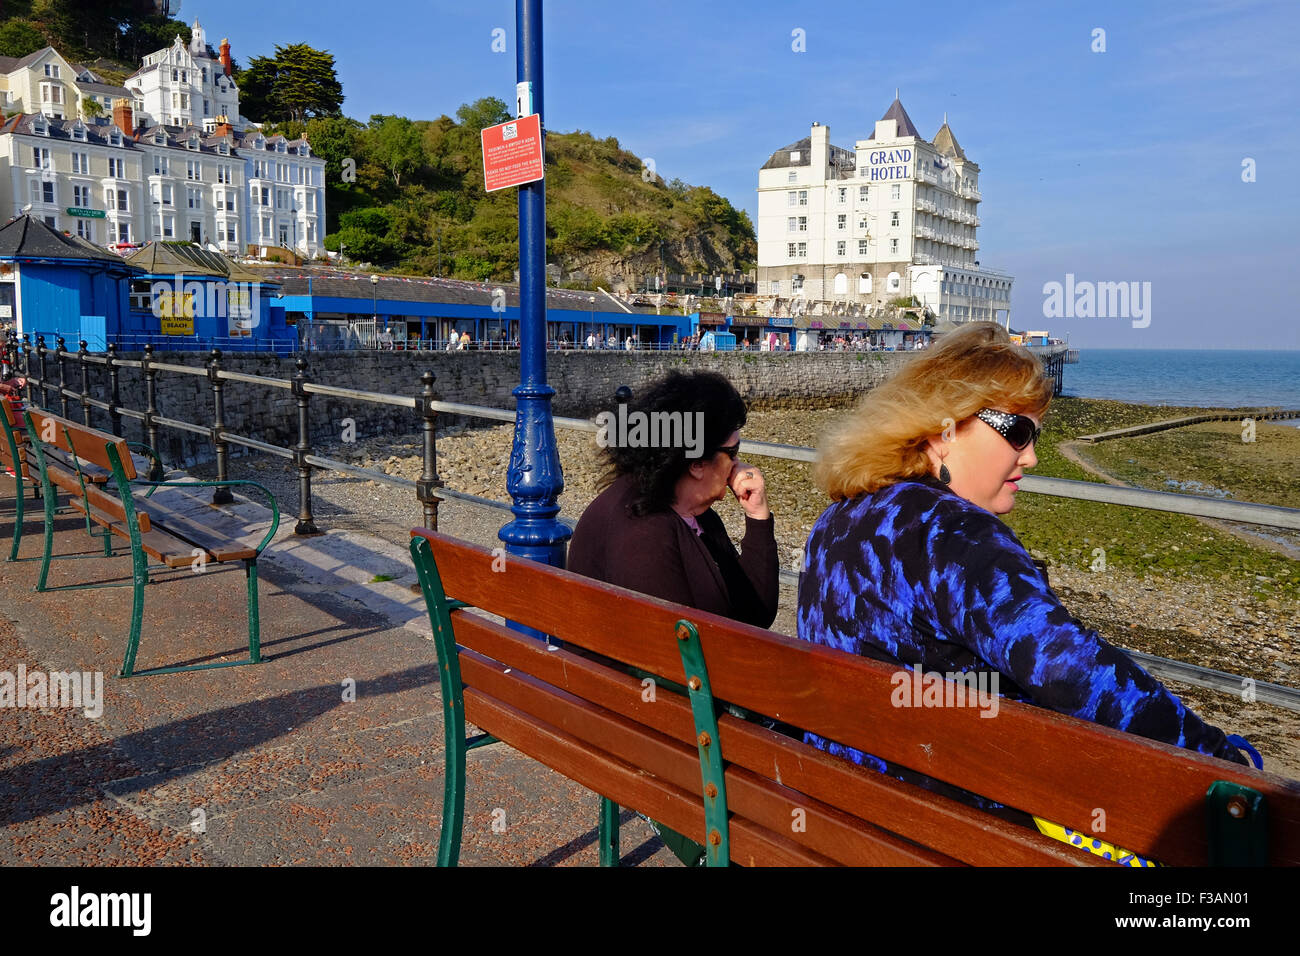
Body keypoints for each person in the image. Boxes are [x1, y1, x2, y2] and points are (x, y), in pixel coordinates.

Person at [798, 322, 1253, 857]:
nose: (1031, 456)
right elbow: (1066, 666)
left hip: (844, 815)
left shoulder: (837, 518)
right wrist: (1220, 759)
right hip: (952, 834)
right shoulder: (956, 536)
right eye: (1017, 432)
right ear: (942, 428)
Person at [569, 371, 778, 865]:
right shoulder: (644, 533)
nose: (739, 463)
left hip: (658, 713)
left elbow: (757, 612)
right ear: (697, 461)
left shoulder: (685, 510)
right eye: (733, 448)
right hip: (657, 736)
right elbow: (679, 673)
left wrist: (758, 517)